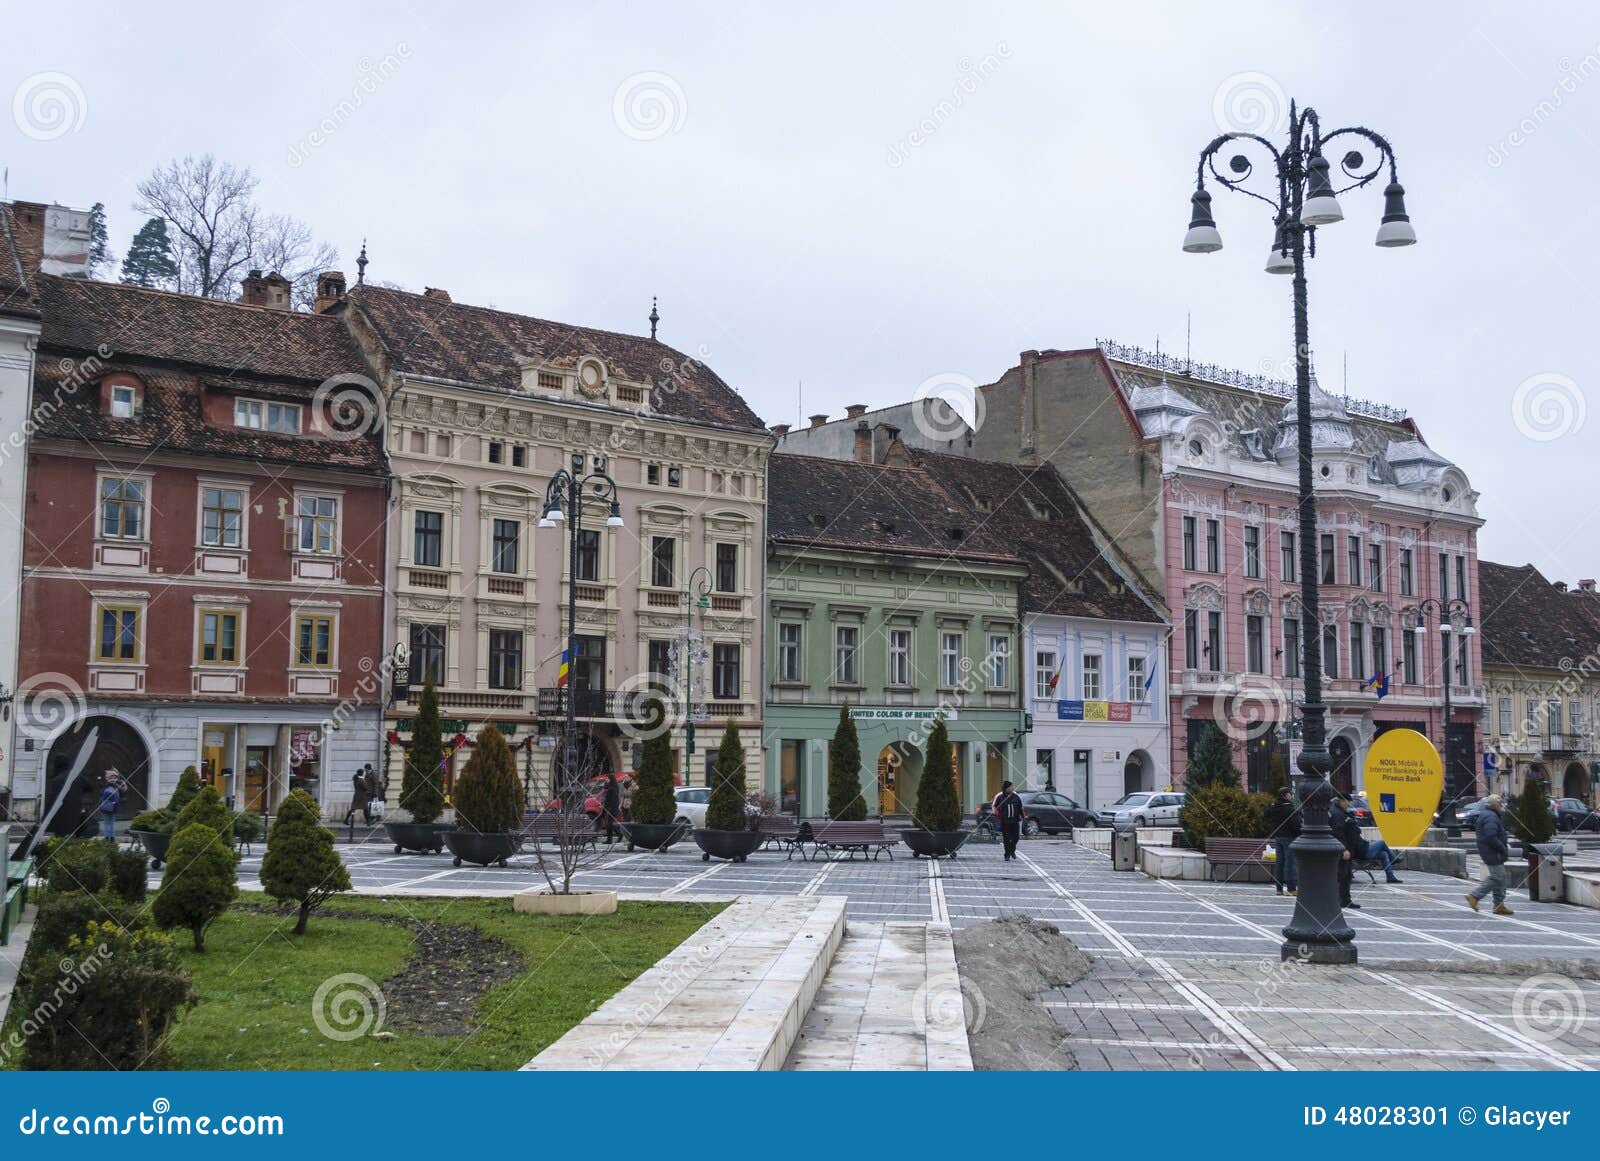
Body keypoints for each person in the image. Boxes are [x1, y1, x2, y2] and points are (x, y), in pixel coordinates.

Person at [1467, 793, 1514, 915]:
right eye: (1500, 804)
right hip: (1492, 851)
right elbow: (1491, 836)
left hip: (1489, 850)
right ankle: (1475, 896)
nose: (1501, 807)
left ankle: (1498, 905)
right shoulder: (1491, 817)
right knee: (1497, 877)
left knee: (1501, 877)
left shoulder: (1488, 814)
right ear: (1495, 805)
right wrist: (1502, 849)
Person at [1262, 787, 1300, 895]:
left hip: (1278, 837)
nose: (1291, 796)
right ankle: (1291, 888)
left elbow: (1265, 815)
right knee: (1289, 863)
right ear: (1285, 795)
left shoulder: (1275, 806)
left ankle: (1279, 889)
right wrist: (1299, 834)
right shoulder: (1289, 808)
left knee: (1279, 863)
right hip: (1289, 838)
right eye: (1290, 794)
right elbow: (1296, 825)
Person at [1329, 796, 1362, 910]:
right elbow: (1338, 833)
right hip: (1343, 849)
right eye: (1348, 802)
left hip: (1347, 848)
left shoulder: (1340, 811)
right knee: (1342, 876)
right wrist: (1344, 849)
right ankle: (1340, 900)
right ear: (1342, 801)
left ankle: (1345, 900)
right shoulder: (1337, 813)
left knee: (1346, 876)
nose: (1349, 804)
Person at [993, 780, 1025, 861]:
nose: (1012, 788)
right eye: (1010, 787)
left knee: (1016, 837)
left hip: (1015, 820)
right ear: (1006, 788)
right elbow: (995, 807)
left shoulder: (1016, 796)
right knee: (1006, 839)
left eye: (1012, 786)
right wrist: (998, 816)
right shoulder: (1000, 797)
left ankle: (1012, 850)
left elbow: (1020, 808)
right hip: (1005, 821)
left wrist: (1023, 816)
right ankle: (1007, 855)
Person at [97, 769, 123, 841]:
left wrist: (99, 779)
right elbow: (123, 791)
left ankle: (106, 837)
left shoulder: (106, 785)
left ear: (107, 777)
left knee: (106, 823)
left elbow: (101, 793)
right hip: (114, 806)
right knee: (112, 822)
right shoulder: (118, 784)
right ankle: (112, 837)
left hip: (105, 806)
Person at [601, 773, 622, 845]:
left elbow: (613, 800)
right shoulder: (608, 787)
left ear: (611, 779)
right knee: (608, 824)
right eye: (606, 778)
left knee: (609, 824)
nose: (606, 779)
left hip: (612, 808)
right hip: (608, 807)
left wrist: (610, 808)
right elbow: (604, 794)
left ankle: (613, 837)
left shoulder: (613, 788)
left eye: (607, 778)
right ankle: (617, 834)